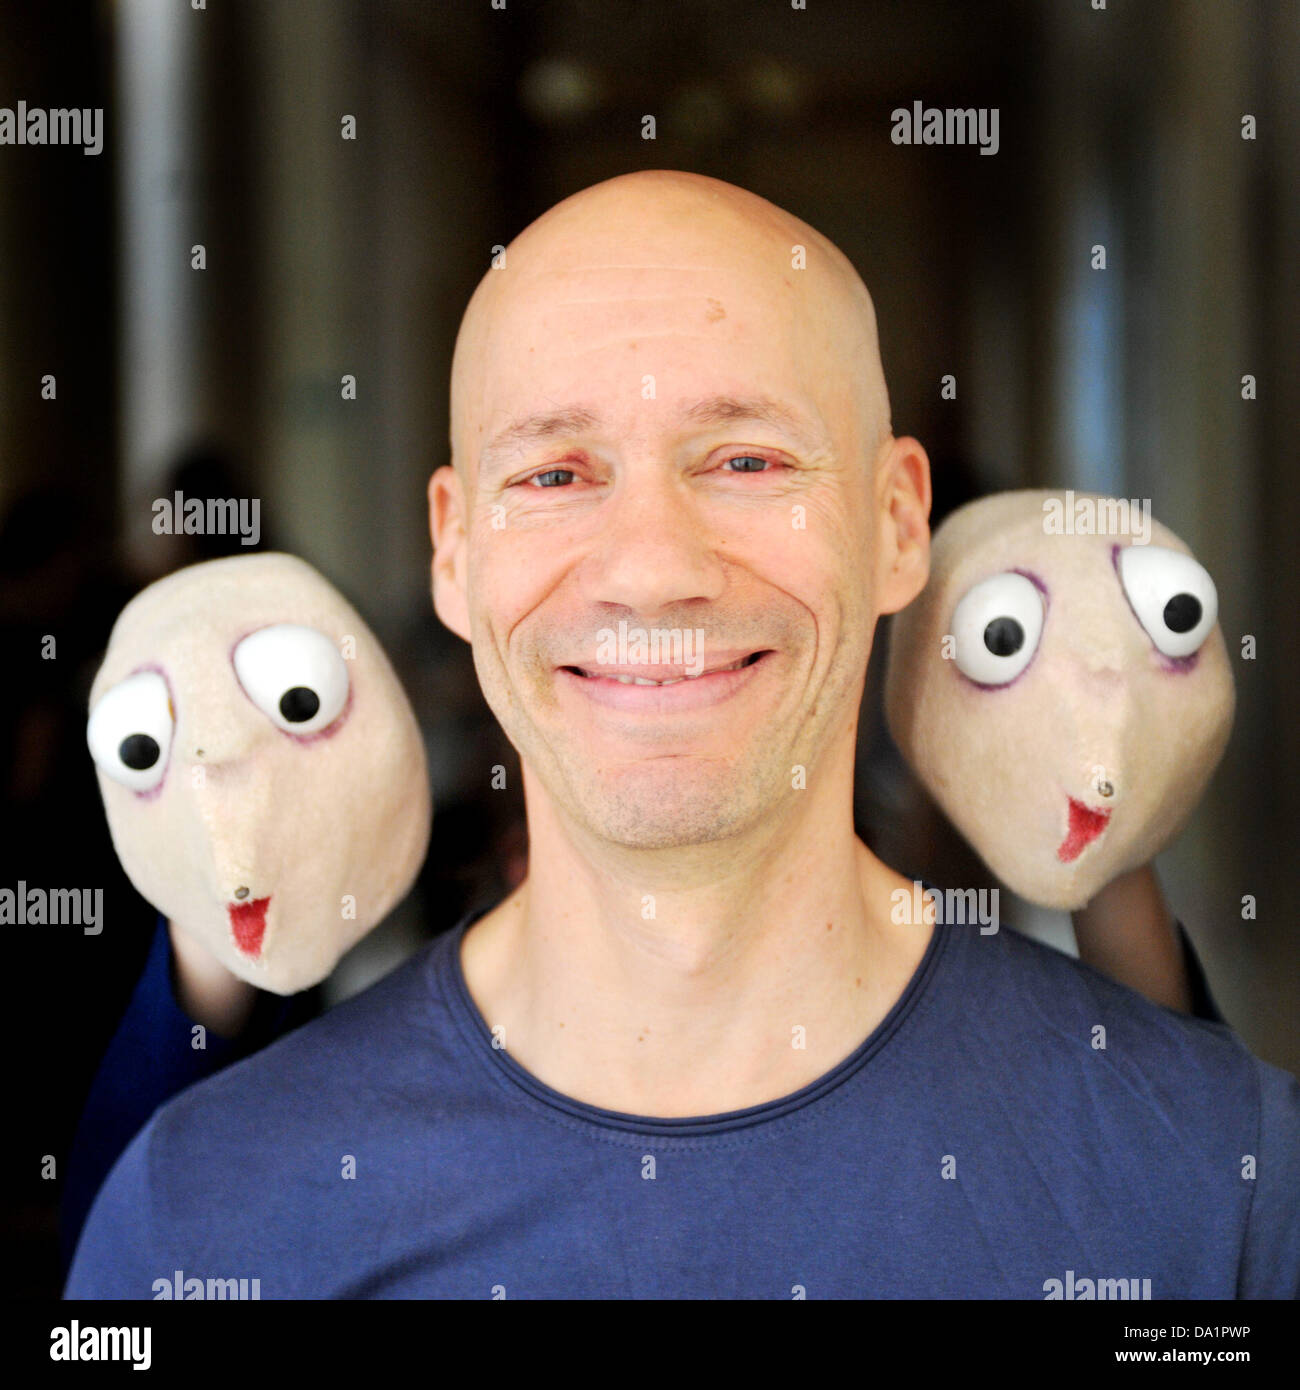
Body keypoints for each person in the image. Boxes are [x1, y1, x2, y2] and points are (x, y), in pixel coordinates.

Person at [66, 171, 1299, 1299]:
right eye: (552, 475)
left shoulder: (1227, 1190)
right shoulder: (198, 1225)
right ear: (453, 548)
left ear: (896, 519)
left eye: (748, 459)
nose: (651, 571)